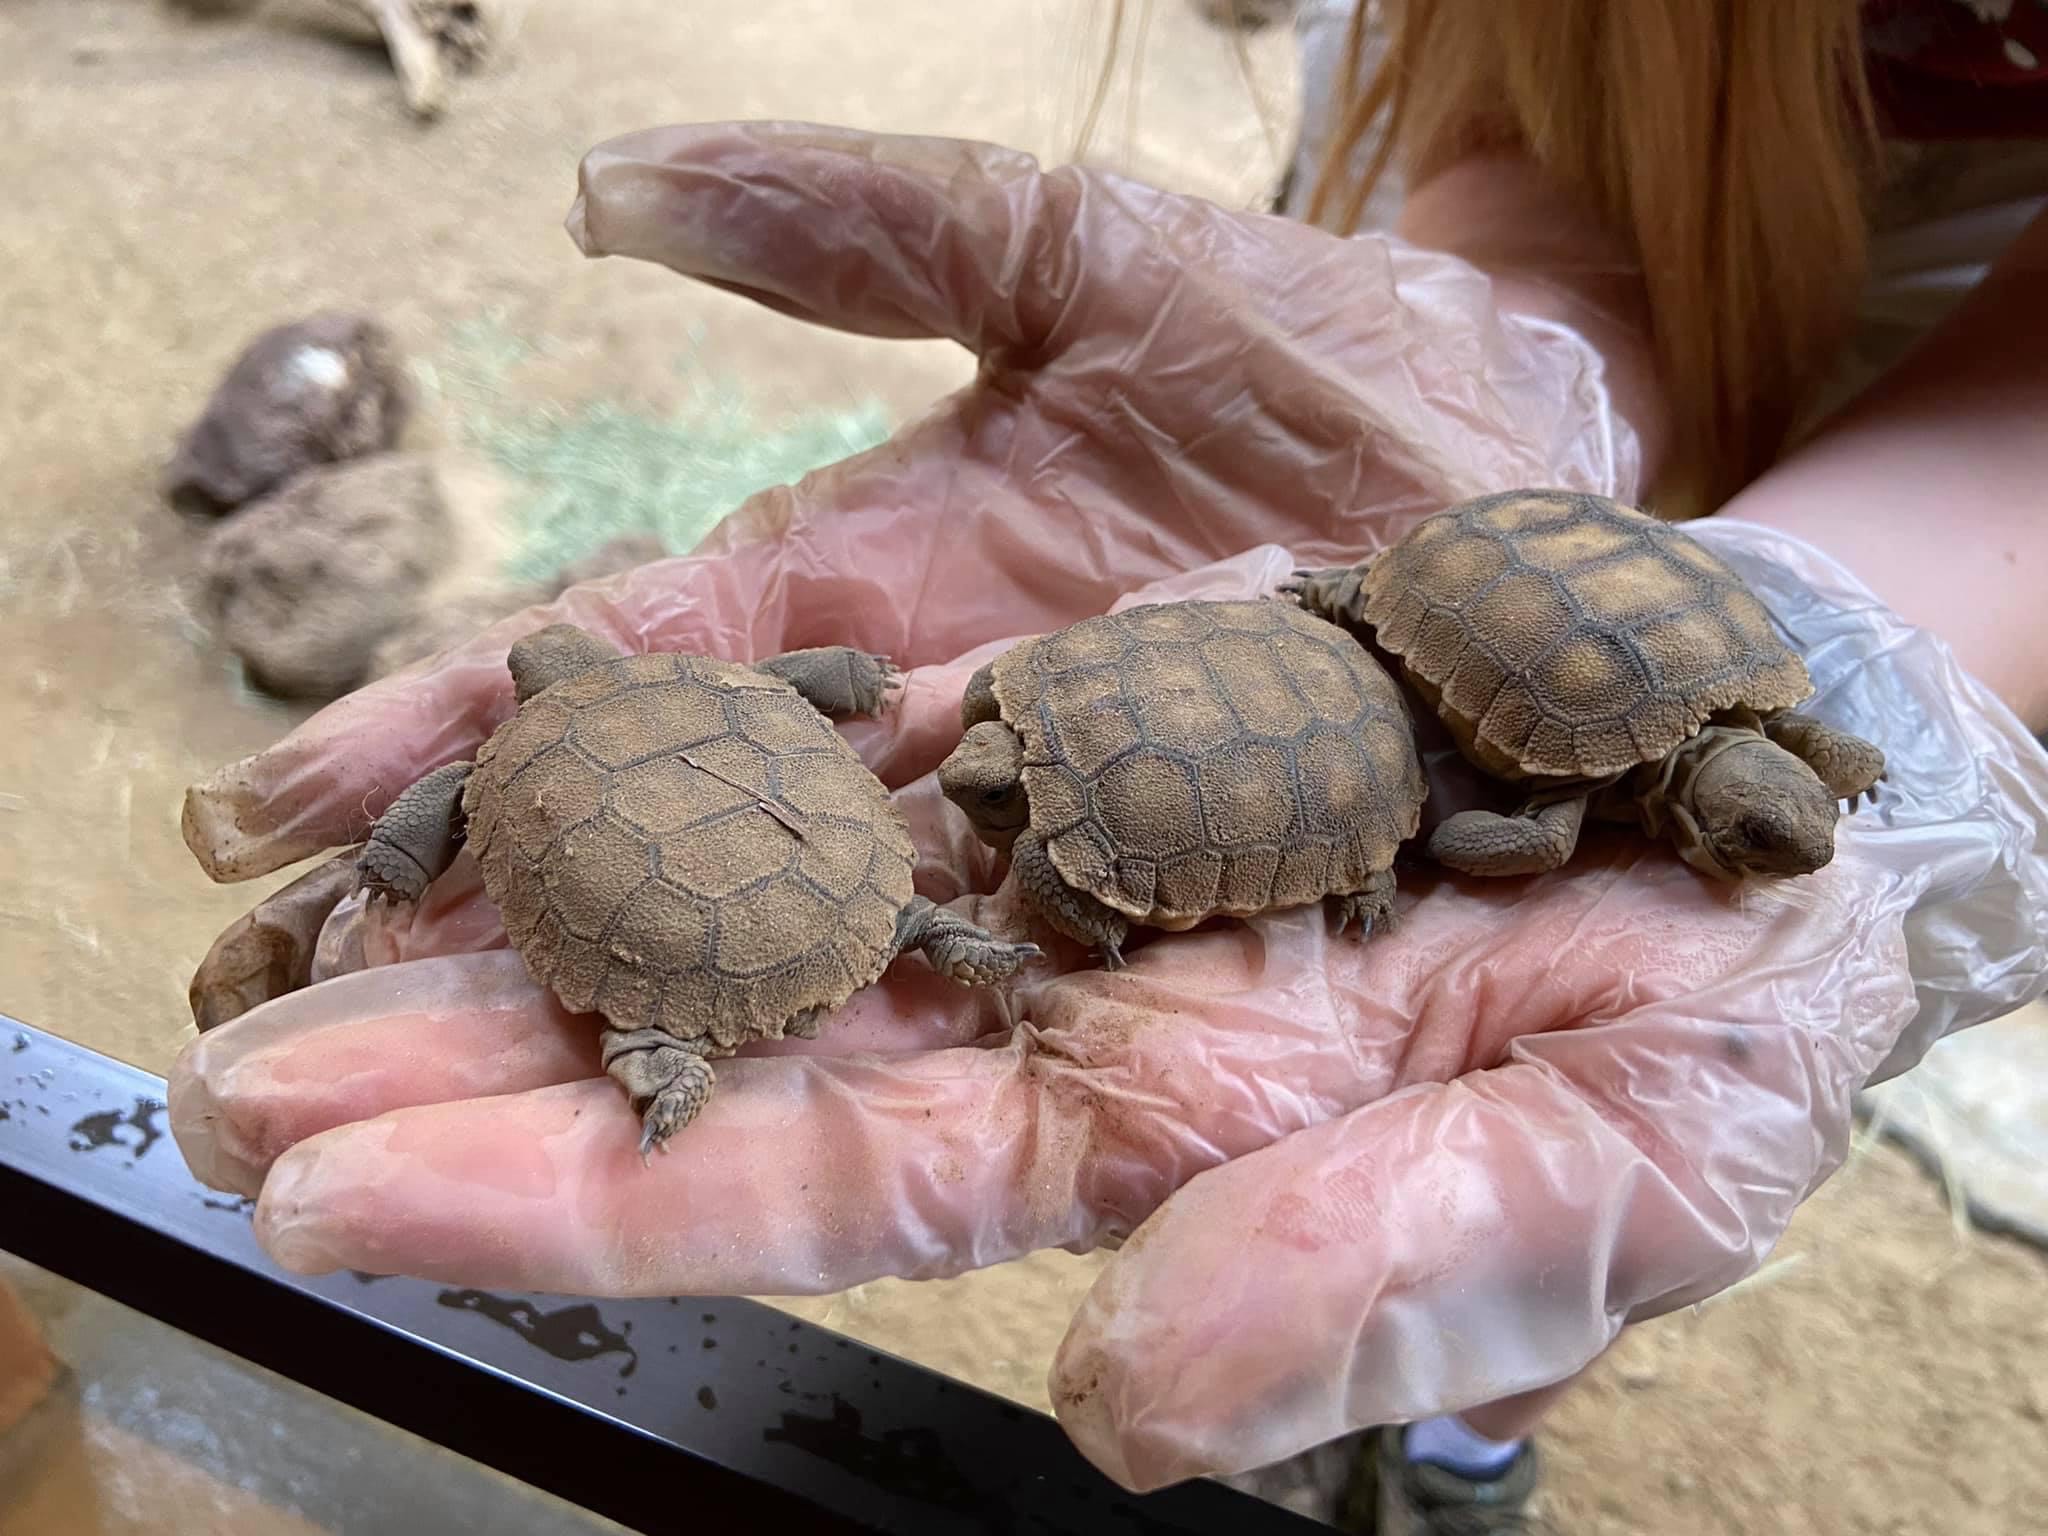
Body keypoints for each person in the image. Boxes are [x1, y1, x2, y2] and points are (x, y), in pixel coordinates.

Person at [167, 3, 2048, 1531]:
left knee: (1531, 1122)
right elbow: (1596, 96)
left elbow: (833, 717)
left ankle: (1463, 1434)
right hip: (1597, 191)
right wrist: (1529, 343)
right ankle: (1412, 1409)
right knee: (1319, 1081)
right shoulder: (742, 731)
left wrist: (1890, 619)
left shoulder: (568, 751)